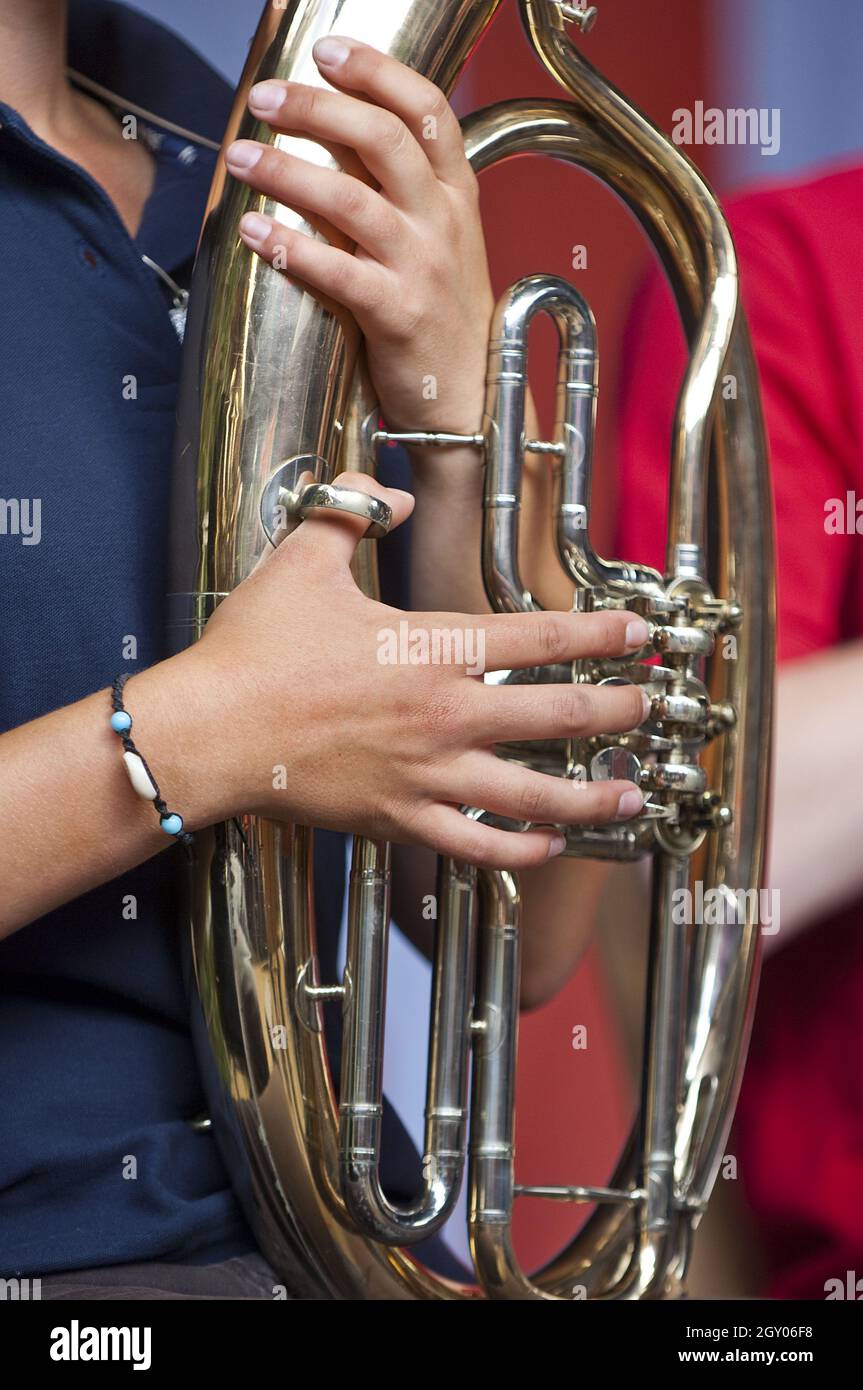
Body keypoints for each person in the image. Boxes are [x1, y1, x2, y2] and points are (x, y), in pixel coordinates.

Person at [0, 1, 649, 1298]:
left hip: (354, 1254)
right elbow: (249, 721)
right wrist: (209, 737)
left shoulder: (239, 136)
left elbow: (525, 937)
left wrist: (468, 425)